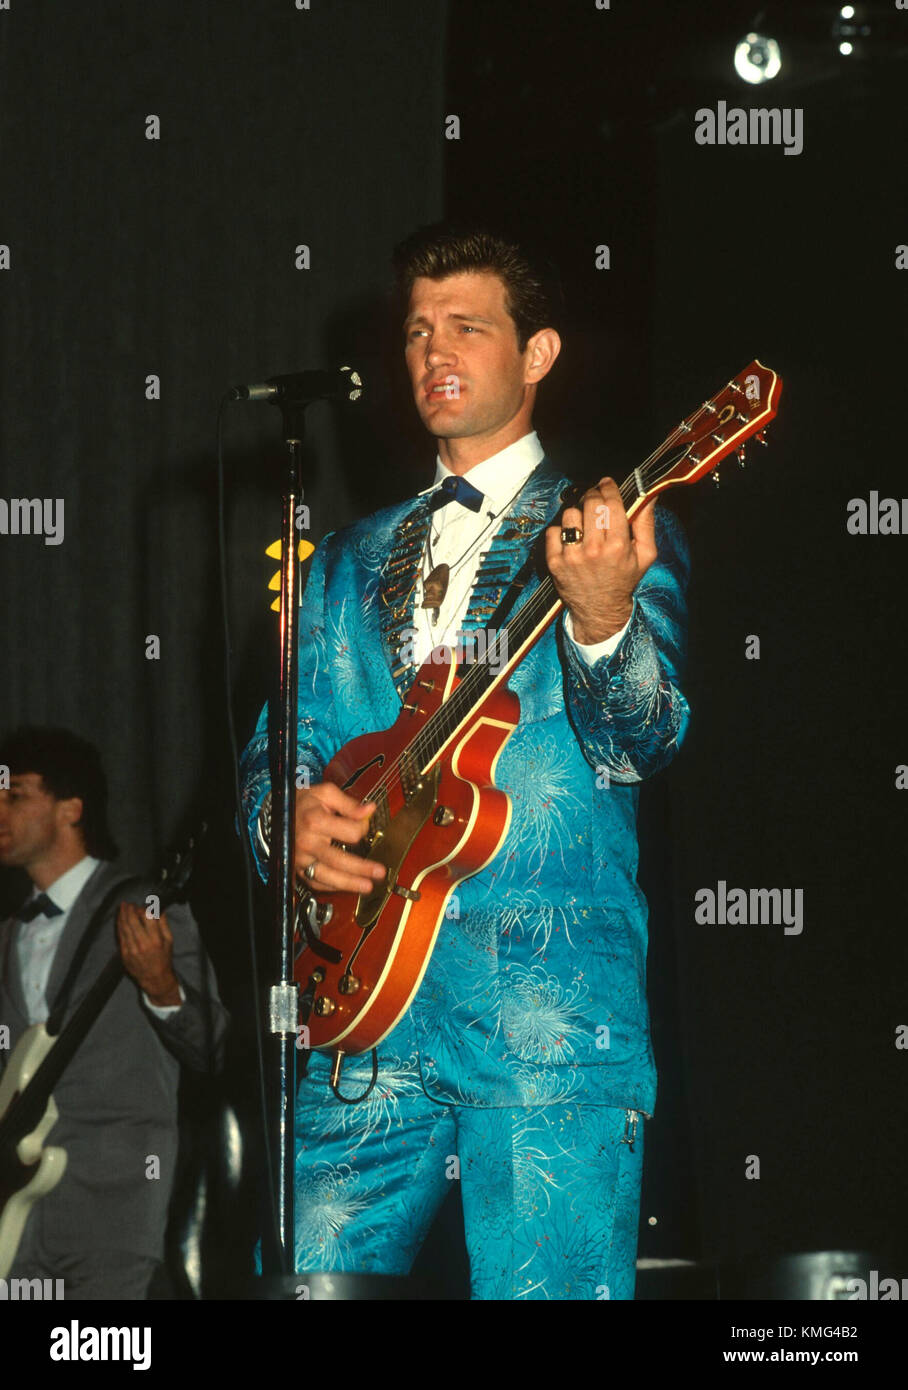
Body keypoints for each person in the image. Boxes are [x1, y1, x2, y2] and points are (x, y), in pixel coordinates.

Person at [240, 224, 690, 1300]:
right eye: (414, 331)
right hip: (359, 1013)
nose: (431, 350)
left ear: (535, 355)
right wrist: (285, 822)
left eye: (466, 326)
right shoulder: (340, 560)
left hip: (543, 1015)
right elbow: (276, 753)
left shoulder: (602, 524)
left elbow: (647, 738)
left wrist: (602, 623)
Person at [0, 725, 229, 1299]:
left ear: (70, 808)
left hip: (118, 1206)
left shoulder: (150, 906)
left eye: (15, 794)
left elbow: (214, 1047)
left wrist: (163, 987)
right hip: (18, 1218)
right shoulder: (6, 934)